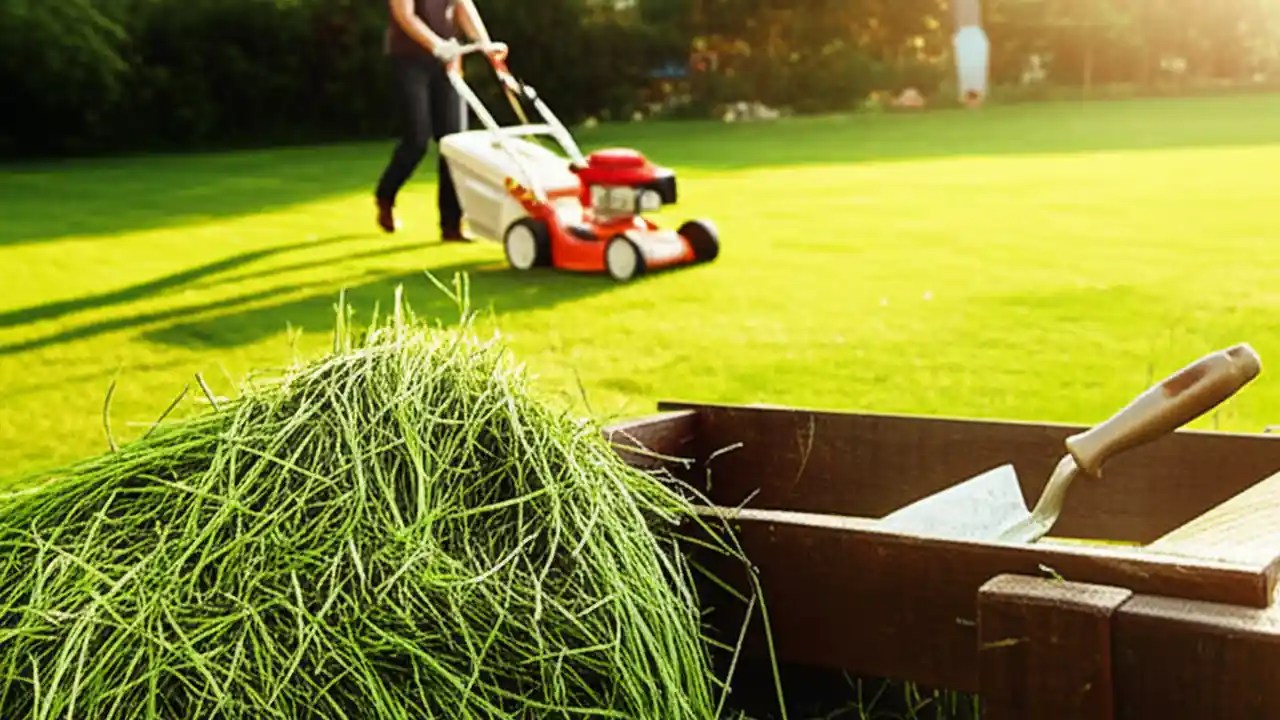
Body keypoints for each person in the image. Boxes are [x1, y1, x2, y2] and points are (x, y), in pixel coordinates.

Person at [375, 0, 504, 241]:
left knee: (454, 143)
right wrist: (436, 45)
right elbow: (404, 14)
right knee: (417, 141)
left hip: (447, 59)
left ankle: (452, 224)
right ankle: (386, 195)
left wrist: (484, 44)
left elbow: (463, 6)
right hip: (409, 61)